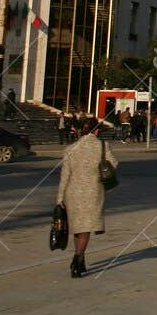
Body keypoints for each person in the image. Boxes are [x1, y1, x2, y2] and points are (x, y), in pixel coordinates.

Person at [56, 118, 117, 278]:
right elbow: (113, 164)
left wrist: (60, 198)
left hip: (72, 192)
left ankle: (81, 258)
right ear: (96, 131)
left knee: (78, 227)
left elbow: (65, 176)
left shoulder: (70, 148)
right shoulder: (102, 146)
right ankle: (77, 260)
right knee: (86, 228)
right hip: (93, 191)